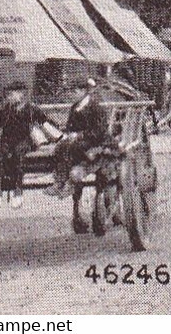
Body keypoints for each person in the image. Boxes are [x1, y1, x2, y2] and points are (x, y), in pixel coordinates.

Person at [50, 78, 112, 233]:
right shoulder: (75, 107)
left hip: (93, 142)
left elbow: (100, 130)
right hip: (78, 140)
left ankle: (68, 182)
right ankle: (60, 181)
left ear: (85, 91)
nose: (73, 93)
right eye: (72, 91)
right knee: (60, 148)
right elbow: (70, 126)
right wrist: (69, 135)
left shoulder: (95, 107)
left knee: (73, 147)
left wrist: (79, 135)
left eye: (76, 90)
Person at [0, 81, 53, 209]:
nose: (10, 96)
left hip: (26, 140)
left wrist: (55, 135)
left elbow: (46, 122)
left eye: (13, 93)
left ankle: (18, 192)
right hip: (7, 141)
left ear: (22, 94)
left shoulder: (31, 109)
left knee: (19, 154)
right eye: (10, 94)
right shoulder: (6, 109)